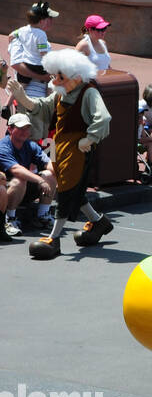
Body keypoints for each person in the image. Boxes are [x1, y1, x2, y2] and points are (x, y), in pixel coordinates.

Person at [5, 49, 112, 258]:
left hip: (78, 149)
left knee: (66, 191)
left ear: (76, 76)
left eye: (60, 77)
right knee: (72, 189)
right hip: (61, 146)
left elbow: (103, 118)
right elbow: (42, 107)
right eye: (54, 76)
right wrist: (22, 98)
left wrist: (90, 139)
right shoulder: (61, 93)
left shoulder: (89, 93)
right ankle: (99, 222)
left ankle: (53, 239)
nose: (55, 81)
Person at [1, 113, 56, 241]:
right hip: (6, 192)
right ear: (10, 129)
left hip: (24, 189)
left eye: (27, 128)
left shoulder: (30, 145)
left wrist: (61, 175)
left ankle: (43, 215)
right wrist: (40, 180)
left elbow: (48, 163)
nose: (25, 131)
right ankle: (9, 219)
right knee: (20, 179)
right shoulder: (3, 147)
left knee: (50, 174)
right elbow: (16, 170)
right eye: (20, 128)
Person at [8, 1, 57, 101]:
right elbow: (16, 64)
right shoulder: (18, 40)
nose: (51, 21)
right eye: (48, 17)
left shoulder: (27, 33)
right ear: (40, 20)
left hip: (41, 97)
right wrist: (43, 77)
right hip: (27, 96)